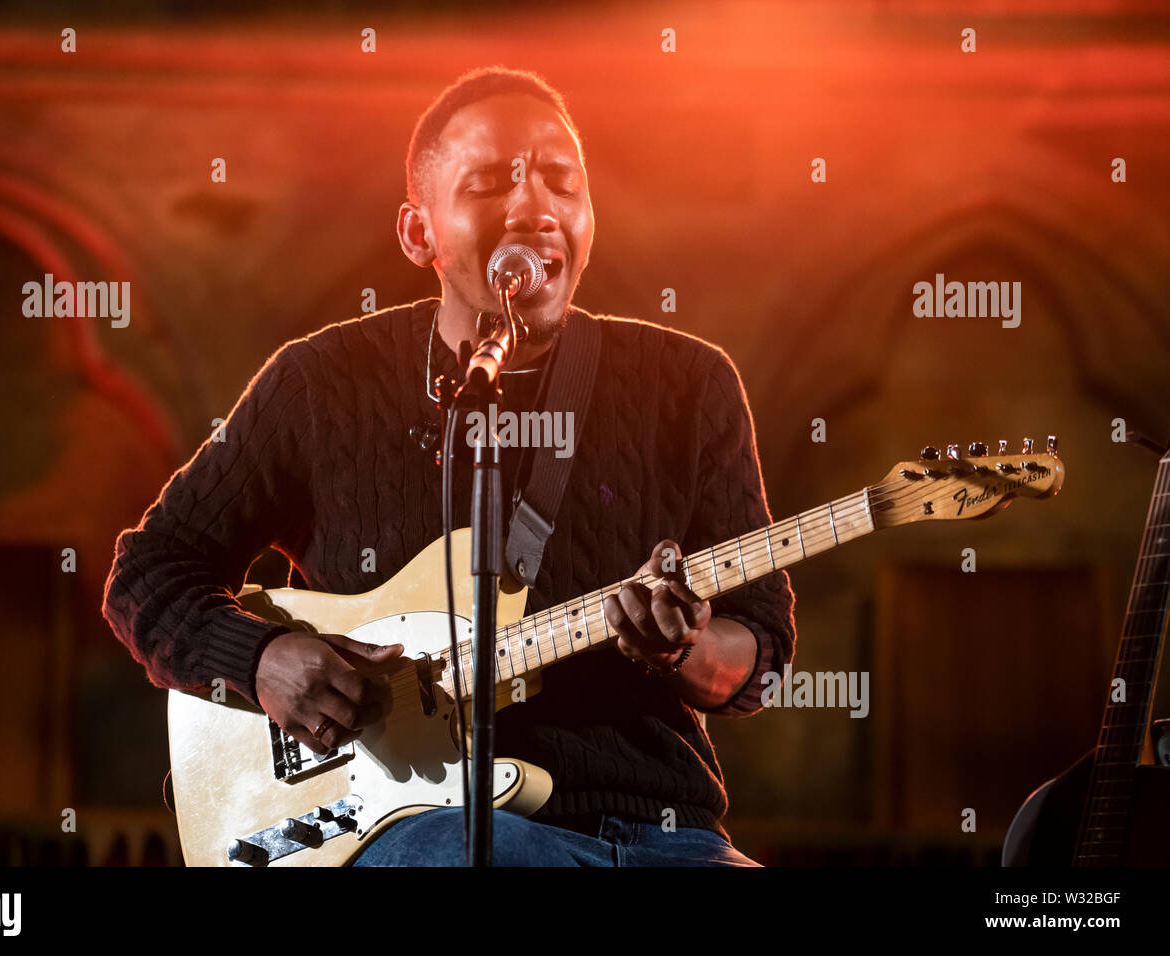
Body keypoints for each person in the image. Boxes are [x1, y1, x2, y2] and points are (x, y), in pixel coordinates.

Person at [102, 66, 796, 867]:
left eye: (563, 183)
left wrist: (680, 649)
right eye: (492, 182)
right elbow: (148, 573)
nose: (537, 207)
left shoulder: (690, 384)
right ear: (417, 233)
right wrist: (260, 660)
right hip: (416, 828)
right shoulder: (321, 383)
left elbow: (762, 656)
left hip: (662, 831)